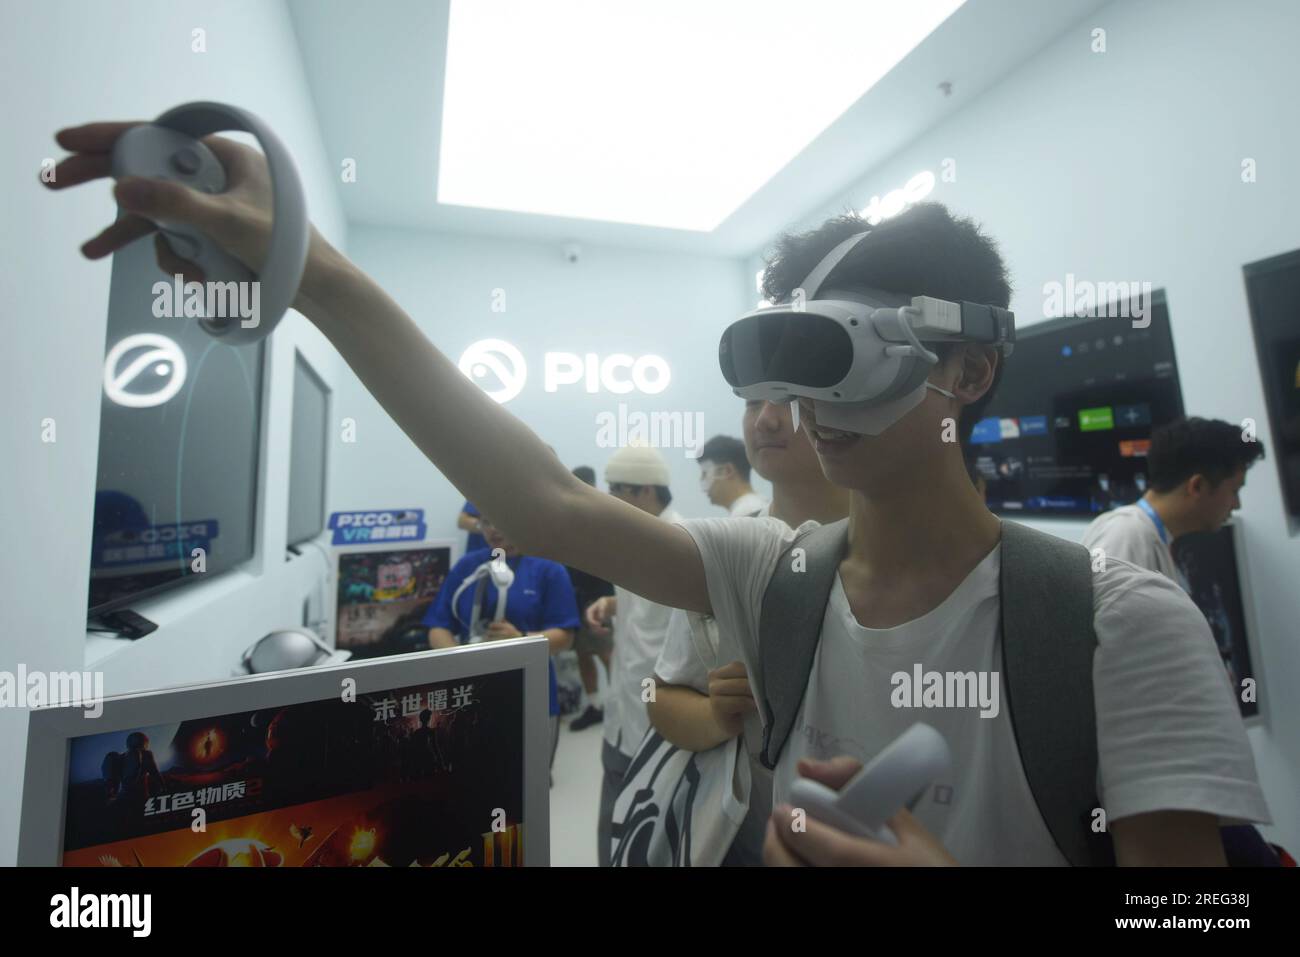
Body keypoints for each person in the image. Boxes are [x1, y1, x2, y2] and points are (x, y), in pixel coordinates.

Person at [51, 126, 1268, 865]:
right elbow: (537, 499)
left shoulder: (1116, 625)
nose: (792, 411)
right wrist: (312, 269)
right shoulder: (774, 578)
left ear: (965, 368)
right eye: (775, 370)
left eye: (833, 358)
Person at [648, 398, 849, 864]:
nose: (766, 419)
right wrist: (718, 716)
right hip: (744, 838)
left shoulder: (896, 549)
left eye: (792, 401)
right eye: (753, 401)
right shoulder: (726, 550)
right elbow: (661, 696)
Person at [582, 445, 682, 866]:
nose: (608, 499)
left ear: (644, 492)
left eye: (615, 490)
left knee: (652, 832)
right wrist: (610, 605)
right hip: (621, 716)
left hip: (663, 725)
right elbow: (644, 604)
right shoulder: (630, 540)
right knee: (611, 827)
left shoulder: (683, 546)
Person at [423, 513, 578, 770]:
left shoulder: (548, 569)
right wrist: (458, 659)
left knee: (529, 782)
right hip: (470, 693)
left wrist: (520, 640)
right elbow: (438, 624)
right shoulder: (468, 567)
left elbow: (565, 636)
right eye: (485, 521)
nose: (493, 528)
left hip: (532, 692)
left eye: (501, 519)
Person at [1082, 417, 1265, 587]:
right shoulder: (1123, 537)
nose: (1237, 504)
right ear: (1198, 486)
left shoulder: (1152, 537)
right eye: (1234, 491)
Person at [565, 466, 615, 731]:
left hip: (600, 596)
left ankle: (619, 704)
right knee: (583, 654)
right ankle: (594, 706)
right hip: (574, 596)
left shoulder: (603, 515)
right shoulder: (566, 516)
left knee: (607, 652)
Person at [698, 435, 767, 516]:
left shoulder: (746, 513)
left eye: (705, 473)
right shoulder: (762, 505)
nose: (701, 480)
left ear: (726, 471)